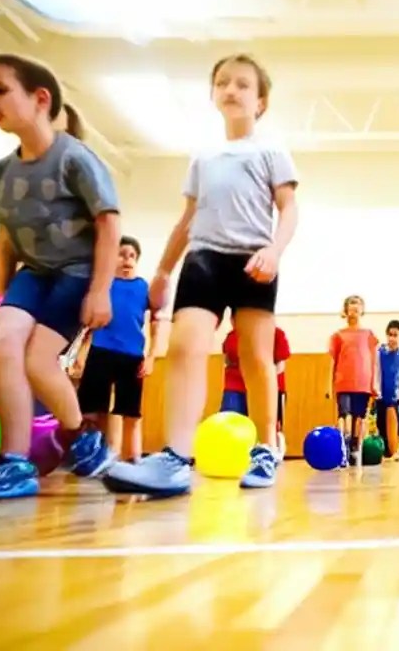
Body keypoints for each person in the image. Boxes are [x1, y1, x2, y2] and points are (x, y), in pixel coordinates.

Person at [103, 53, 300, 496]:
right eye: (223, 83)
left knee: (255, 357)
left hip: (253, 260)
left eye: (243, 84)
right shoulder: (203, 156)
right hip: (204, 259)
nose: (231, 90)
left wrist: (274, 248)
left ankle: (265, 447)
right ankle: (175, 456)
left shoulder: (271, 150)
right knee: (185, 346)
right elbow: (187, 218)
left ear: (261, 101)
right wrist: (162, 271)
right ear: (213, 95)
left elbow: (288, 208)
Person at [0, 53, 119, 499]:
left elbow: (109, 224)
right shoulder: (4, 171)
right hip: (34, 273)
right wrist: (0, 293)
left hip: (77, 272)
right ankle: (14, 461)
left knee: (37, 361)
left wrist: (101, 291)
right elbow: (5, 239)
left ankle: (80, 436)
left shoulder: (76, 158)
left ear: (39, 98)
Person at [74, 236, 160, 461]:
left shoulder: (144, 287)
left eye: (132, 256)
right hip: (101, 351)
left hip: (132, 357)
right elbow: (89, 326)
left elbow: (156, 322)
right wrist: (81, 354)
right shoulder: (103, 286)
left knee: (130, 413)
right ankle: (95, 456)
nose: (127, 260)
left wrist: (151, 356)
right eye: (121, 255)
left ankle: (133, 460)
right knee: (93, 410)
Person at [220, 324, 291, 459]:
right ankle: (231, 454)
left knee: (263, 421)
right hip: (236, 383)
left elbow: (280, 366)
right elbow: (227, 360)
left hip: (265, 384)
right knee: (230, 418)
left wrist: (266, 383)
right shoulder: (232, 336)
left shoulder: (276, 334)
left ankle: (268, 451)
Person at [329, 295, 378, 465]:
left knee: (360, 416)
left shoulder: (369, 335)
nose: (354, 308)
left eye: (358, 305)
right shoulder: (338, 335)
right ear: (346, 309)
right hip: (343, 382)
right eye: (351, 304)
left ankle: (357, 448)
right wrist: (329, 386)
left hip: (363, 383)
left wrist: (375, 383)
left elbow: (373, 360)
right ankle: (344, 446)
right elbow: (333, 361)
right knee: (344, 414)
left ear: (362, 310)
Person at [374, 319, 399, 460]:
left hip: (398, 396)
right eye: (390, 335)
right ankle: (386, 450)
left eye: (395, 335)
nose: (392, 338)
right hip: (382, 394)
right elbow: (376, 371)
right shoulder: (380, 352)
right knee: (381, 422)